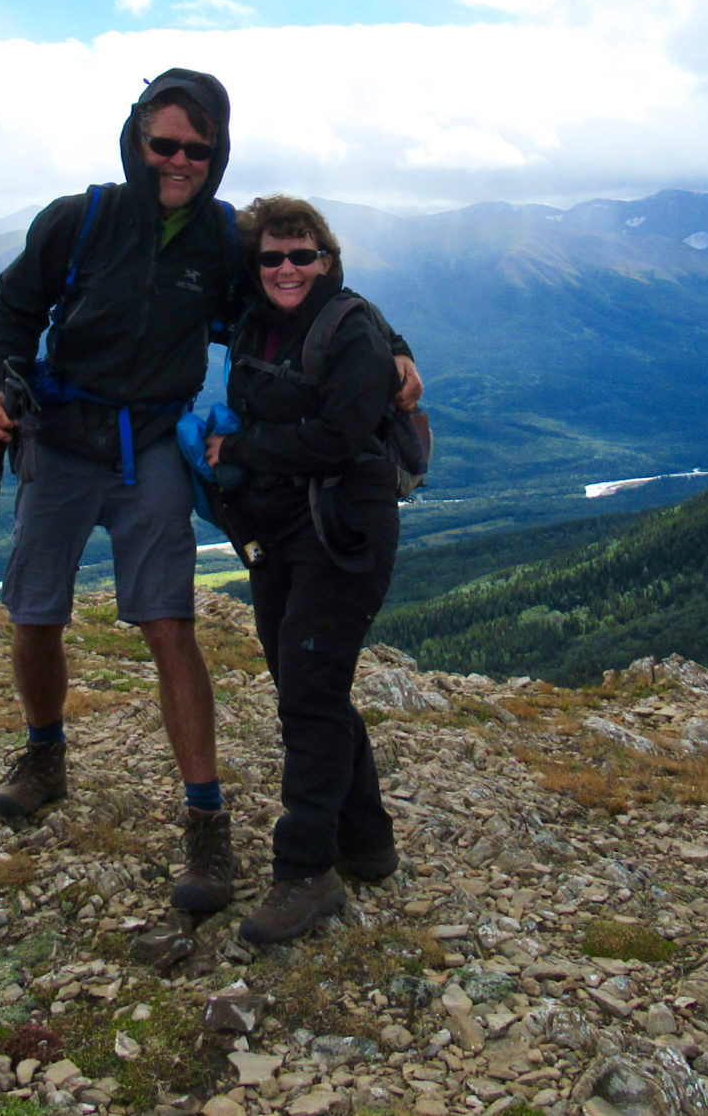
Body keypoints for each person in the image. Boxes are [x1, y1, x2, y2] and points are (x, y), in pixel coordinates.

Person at [0, 72, 419, 917]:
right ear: (136, 138)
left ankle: (205, 822)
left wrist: (389, 343)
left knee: (169, 623)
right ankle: (44, 755)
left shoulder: (221, 239)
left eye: (197, 149)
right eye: (164, 143)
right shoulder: (80, 221)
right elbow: (12, 313)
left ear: (217, 156)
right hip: (61, 439)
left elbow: (303, 286)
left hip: (150, 444)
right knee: (35, 613)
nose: (178, 160)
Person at [205, 195, 404, 946]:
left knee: (310, 693)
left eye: (303, 254)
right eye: (272, 256)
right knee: (304, 682)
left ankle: (305, 872)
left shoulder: (351, 328)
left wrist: (242, 451)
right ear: (254, 266)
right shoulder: (253, 318)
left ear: (327, 258)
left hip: (344, 528)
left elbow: (339, 434)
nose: (287, 268)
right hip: (277, 529)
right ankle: (368, 842)